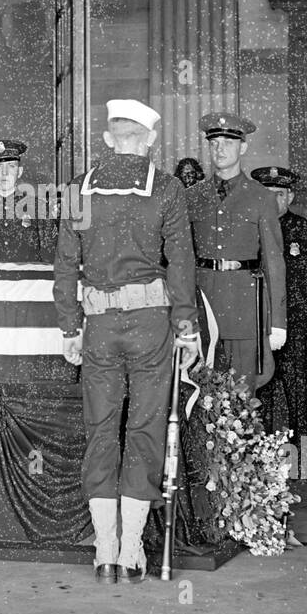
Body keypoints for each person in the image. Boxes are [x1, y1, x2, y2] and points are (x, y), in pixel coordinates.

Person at [52, 99, 199, 585]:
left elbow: (65, 266)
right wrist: (186, 325)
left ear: (110, 139)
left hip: (98, 326)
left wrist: (70, 326)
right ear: (150, 139)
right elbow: (180, 262)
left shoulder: (80, 189)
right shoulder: (168, 188)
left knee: (100, 428)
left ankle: (105, 547)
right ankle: (134, 545)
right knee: (145, 428)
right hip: (152, 323)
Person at [188, 113, 286, 390]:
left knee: (243, 395)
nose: (220, 149)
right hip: (202, 305)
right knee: (201, 396)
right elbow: (181, 257)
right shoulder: (192, 197)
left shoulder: (261, 197)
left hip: (245, 310)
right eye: (214, 143)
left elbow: (274, 263)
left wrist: (277, 322)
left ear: (243, 148)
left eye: (228, 143)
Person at [251, 167, 307, 446]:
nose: (273, 201)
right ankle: (265, 462)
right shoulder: (250, 231)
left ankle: (302, 459)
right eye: (267, 194)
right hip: (260, 328)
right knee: (262, 399)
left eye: (280, 194)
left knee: (299, 398)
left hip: (298, 330)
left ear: (291, 196)